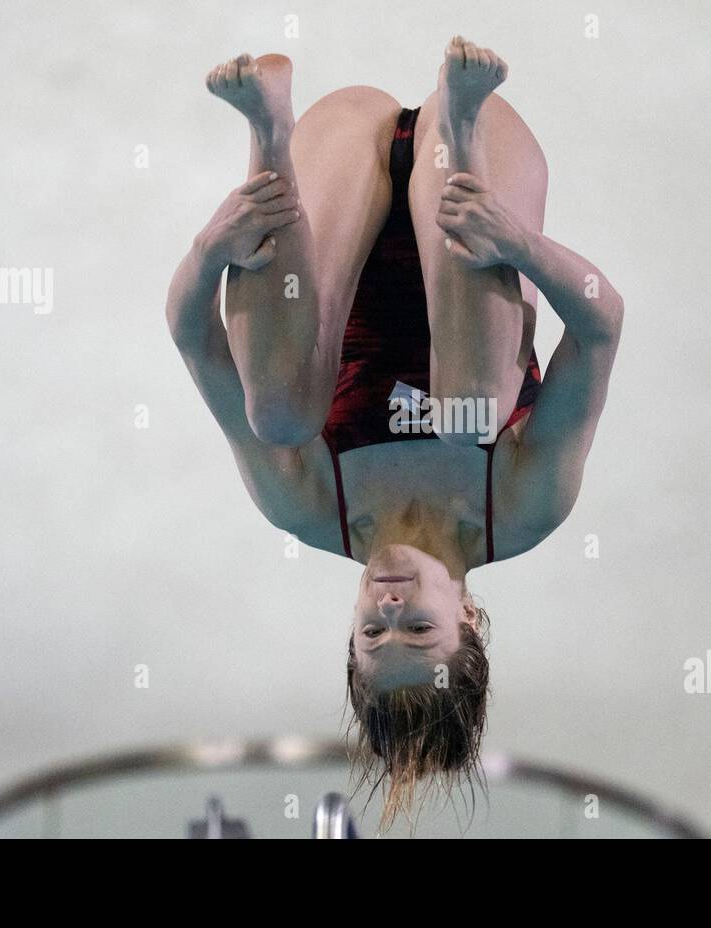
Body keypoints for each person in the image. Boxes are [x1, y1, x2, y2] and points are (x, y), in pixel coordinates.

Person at [166, 36, 624, 826]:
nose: (389, 603)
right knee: (469, 412)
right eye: (418, 626)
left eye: (374, 632)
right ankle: (461, 120)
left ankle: (266, 148)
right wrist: (523, 246)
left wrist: (215, 245)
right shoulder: (522, 505)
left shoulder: (305, 505)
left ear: (350, 634)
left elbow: (193, 336)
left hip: (332, 169)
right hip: (475, 182)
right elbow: (602, 325)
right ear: (469, 619)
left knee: (275, 412)